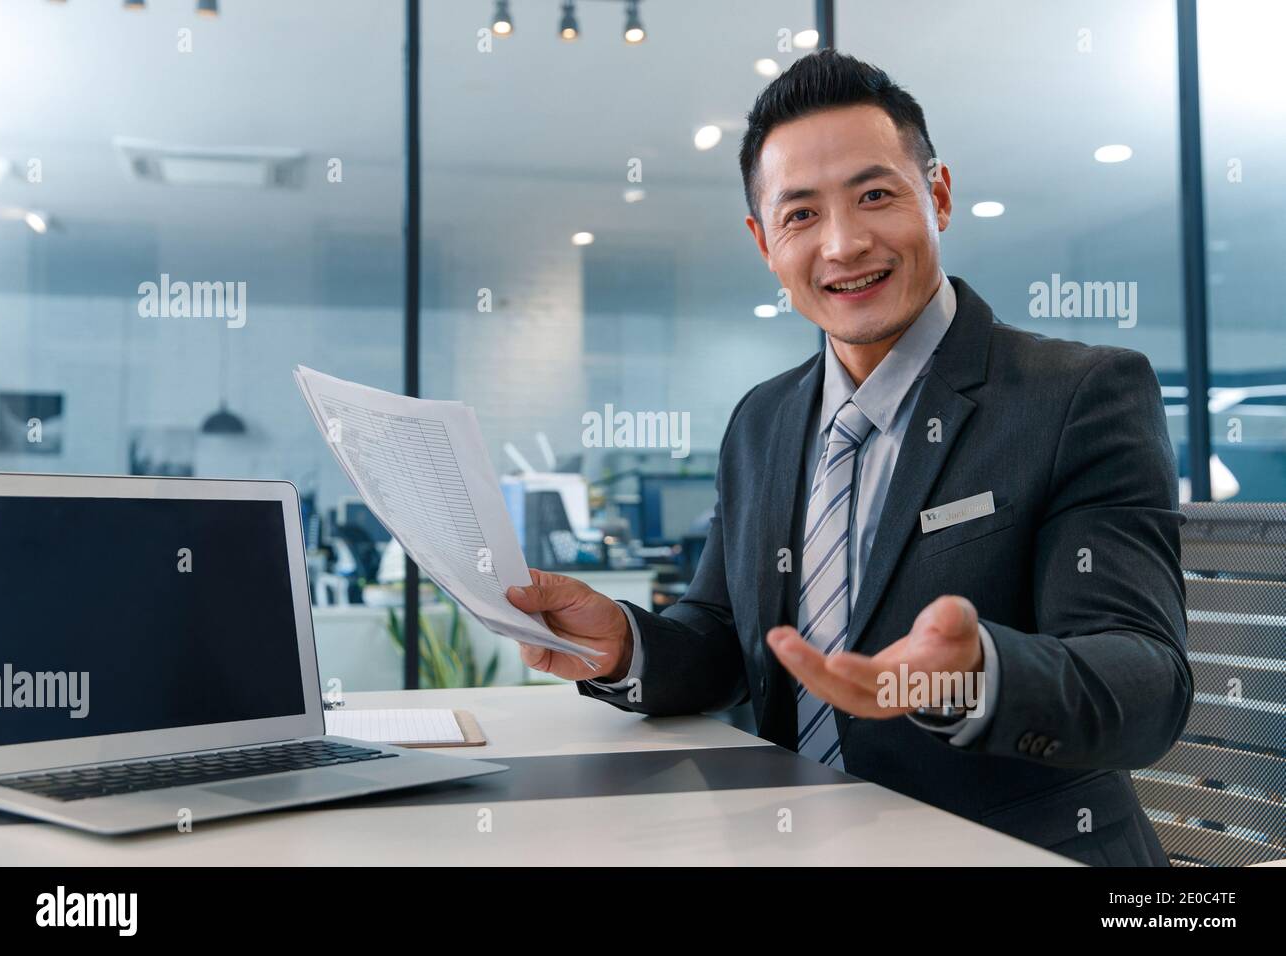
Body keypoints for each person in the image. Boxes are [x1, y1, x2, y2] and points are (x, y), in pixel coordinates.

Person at [507, 50, 1191, 867]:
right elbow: (725, 638)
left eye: (875, 195)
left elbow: (1146, 680)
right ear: (764, 242)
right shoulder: (762, 420)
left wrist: (976, 674)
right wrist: (618, 642)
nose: (844, 243)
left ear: (937, 195)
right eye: (800, 215)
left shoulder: (1078, 394)